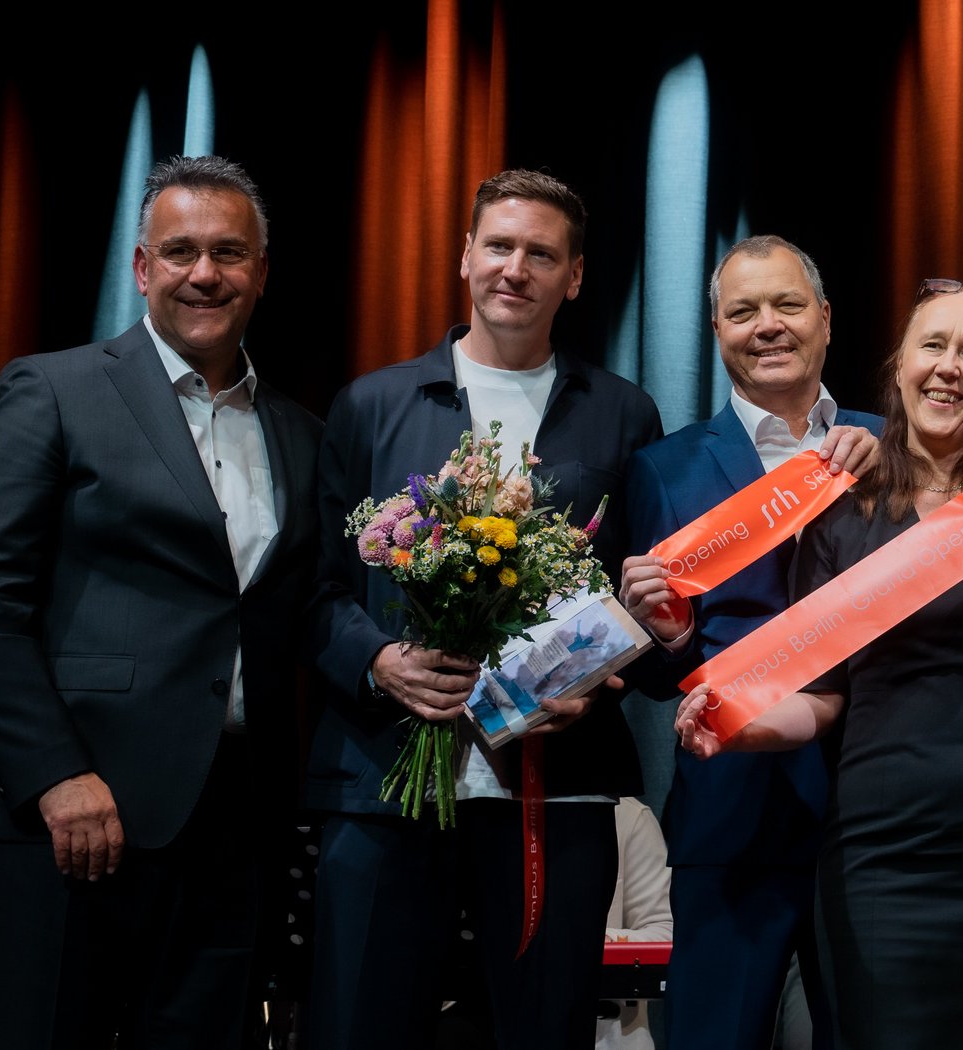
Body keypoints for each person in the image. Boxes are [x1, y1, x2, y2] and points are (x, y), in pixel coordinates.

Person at [0, 155, 321, 1048]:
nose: (205, 273)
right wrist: (55, 776)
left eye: (229, 252)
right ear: (142, 269)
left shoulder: (301, 432)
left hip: (230, 825)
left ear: (262, 272)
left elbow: (295, 613)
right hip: (68, 819)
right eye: (179, 251)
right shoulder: (54, 388)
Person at [674, 278, 963, 1049]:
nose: (949, 367)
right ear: (899, 365)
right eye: (932, 346)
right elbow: (822, 698)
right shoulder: (841, 515)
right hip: (886, 855)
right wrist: (737, 726)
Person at [307, 169, 663, 1050]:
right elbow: (312, 591)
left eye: (542, 254)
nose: (517, 268)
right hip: (386, 781)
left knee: (543, 1032)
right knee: (360, 1026)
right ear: (466, 256)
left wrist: (598, 684)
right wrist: (379, 661)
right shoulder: (372, 404)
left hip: (556, 783)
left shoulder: (623, 415)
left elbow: (645, 599)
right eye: (499, 246)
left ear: (574, 277)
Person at [618, 235, 879, 1050]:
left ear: (826, 321)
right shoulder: (663, 469)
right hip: (730, 818)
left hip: (877, 811)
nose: (767, 325)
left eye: (788, 305)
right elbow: (659, 678)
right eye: (743, 311)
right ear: (716, 330)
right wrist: (662, 633)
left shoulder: (895, 448)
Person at [595, 797, 672, 1050]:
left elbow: (665, 933)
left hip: (611, 1035)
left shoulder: (628, 816)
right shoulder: (489, 816)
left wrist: (589, 939)